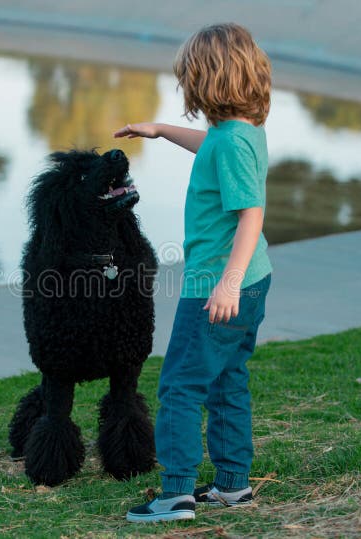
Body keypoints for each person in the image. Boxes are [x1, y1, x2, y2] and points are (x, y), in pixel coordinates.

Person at [114, 22, 273, 523]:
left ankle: (176, 493)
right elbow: (209, 145)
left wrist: (226, 281)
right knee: (227, 381)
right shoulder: (241, 134)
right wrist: (160, 130)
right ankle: (232, 486)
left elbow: (251, 213)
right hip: (250, 281)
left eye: (189, 78)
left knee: (180, 385)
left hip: (219, 287)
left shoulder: (228, 144)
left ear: (208, 83)